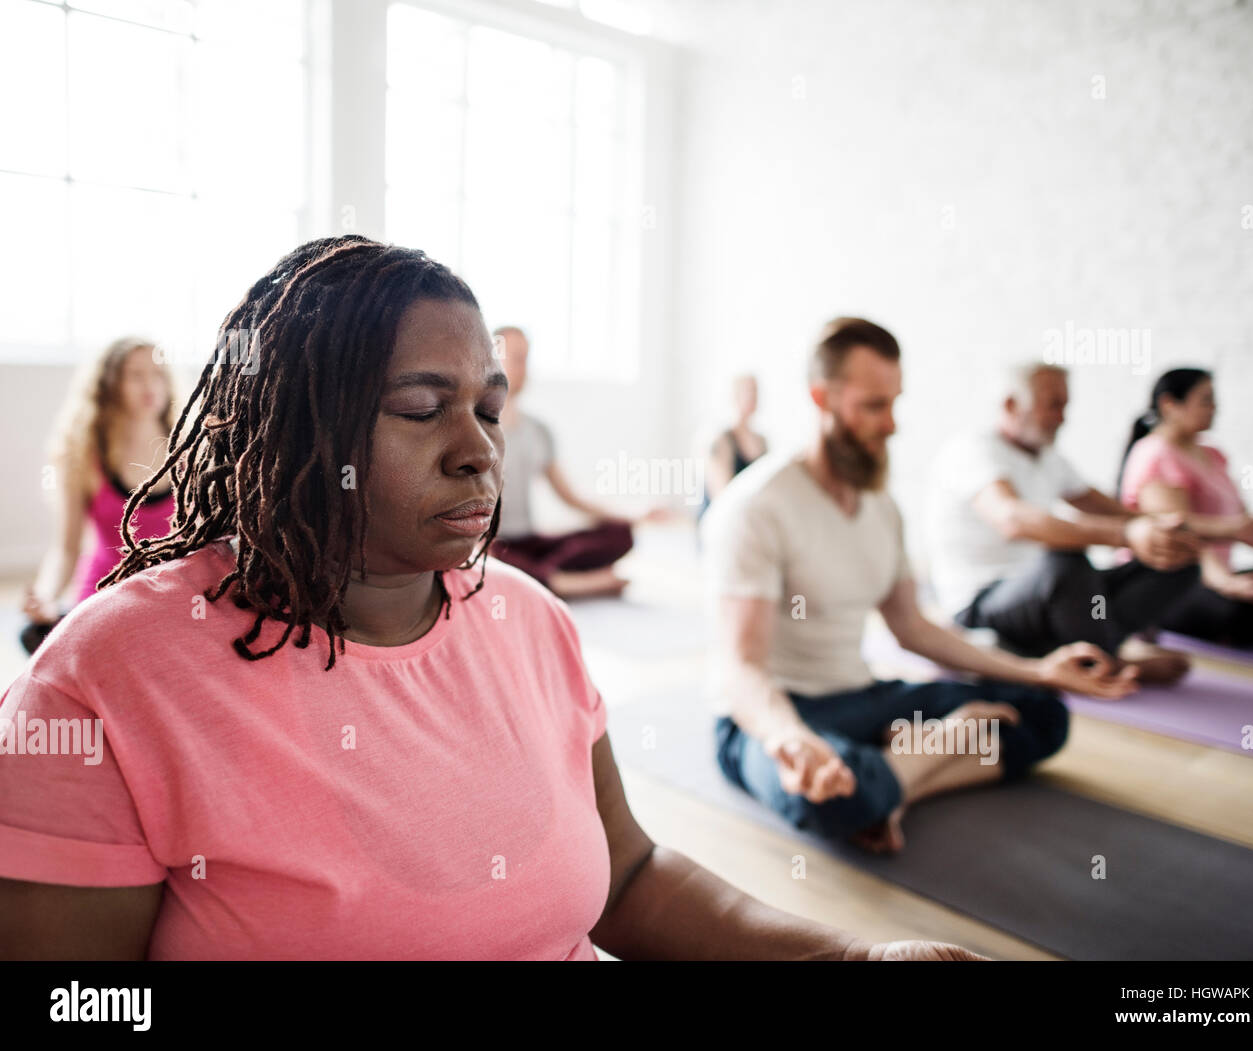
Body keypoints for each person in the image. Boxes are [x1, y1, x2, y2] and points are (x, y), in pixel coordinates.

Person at [0, 238, 982, 962]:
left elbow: (630, 880)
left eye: (488, 407)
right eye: (423, 408)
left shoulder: (526, 616)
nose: (478, 447)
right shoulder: (106, 678)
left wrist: (854, 958)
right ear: (291, 425)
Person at [702, 318, 1136, 855]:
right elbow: (742, 666)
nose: (891, 425)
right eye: (873, 406)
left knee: (1044, 713)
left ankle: (897, 784)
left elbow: (910, 626)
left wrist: (1038, 669)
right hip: (768, 717)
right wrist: (789, 738)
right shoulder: (756, 507)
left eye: (894, 403)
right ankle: (929, 753)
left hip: (862, 699)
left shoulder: (882, 509)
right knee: (829, 798)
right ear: (823, 399)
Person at [925, 363, 1204, 683]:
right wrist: (1127, 535)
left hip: (1052, 602)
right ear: (1011, 405)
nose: (1062, 417)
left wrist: (1218, 530)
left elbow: (1116, 513)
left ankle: (1081, 653)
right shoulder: (972, 449)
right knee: (1064, 560)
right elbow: (1012, 520)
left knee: (1180, 559)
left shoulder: (1048, 458)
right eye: (1053, 405)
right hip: (982, 604)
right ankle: (1112, 663)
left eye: (1065, 406)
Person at [1118, 368, 1253, 647]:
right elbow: (1182, 535)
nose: (1215, 408)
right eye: (1206, 400)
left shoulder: (1213, 454)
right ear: (1169, 404)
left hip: (1218, 576)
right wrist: (1225, 582)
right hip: (1170, 585)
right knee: (1243, 613)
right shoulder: (1154, 454)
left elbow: (1242, 524)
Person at [20, 337, 176, 655]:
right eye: (135, 375)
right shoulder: (80, 455)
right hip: (103, 598)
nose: (149, 384)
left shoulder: (191, 447)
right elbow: (66, 549)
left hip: (170, 595)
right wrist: (46, 596)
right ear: (109, 385)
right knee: (37, 636)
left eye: (157, 374)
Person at [488, 325, 666, 599]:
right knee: (482, 560)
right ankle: (566, 583)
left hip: (531, 541)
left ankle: (544, 578)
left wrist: (634, 516)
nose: (524, 368)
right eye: (517, 358)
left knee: (620, 533)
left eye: (527, 358)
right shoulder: (475, 428)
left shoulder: (539, 430)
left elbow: (569, 496)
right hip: (492, 543)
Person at [700, 373, 768, 520]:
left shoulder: (762, 441)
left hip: (749, 520)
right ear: (735, 395)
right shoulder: (721, 441)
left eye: (756, 391)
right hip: (722, 525)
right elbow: (721, 498)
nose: (754, 396)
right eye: (748, 391)